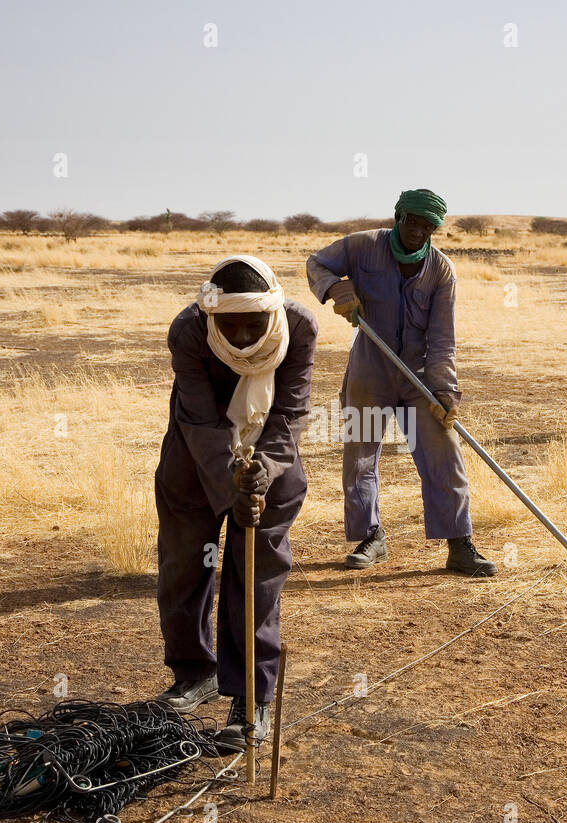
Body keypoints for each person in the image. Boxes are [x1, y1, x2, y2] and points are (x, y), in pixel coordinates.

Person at [153, 256, 317, 751]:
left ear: (273, 312)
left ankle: (250, 697)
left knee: (256, 573)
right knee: (184, 563)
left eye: (254, 324)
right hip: (193, 454)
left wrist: (260, 478)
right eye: (230, 325)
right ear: (210, 318)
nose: (243, 336)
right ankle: (194, 673)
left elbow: (289, 413)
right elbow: (202, 422)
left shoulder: (300, 327)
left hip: (270, 453)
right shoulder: (188, 329)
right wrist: (233, 482)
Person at [306, 189, 497, 577]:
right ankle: (370, 536)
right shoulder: (362, 246)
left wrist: (445, 392)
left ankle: (459, 544)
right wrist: (336, 289)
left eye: (428, 225)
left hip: (421, 375)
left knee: (444, 454)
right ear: (398, 217)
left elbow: (443, 339)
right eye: (413, 221)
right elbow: (316, 264)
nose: (419, 231)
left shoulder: (441, 270)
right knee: (359, 455)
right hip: (368, 370)